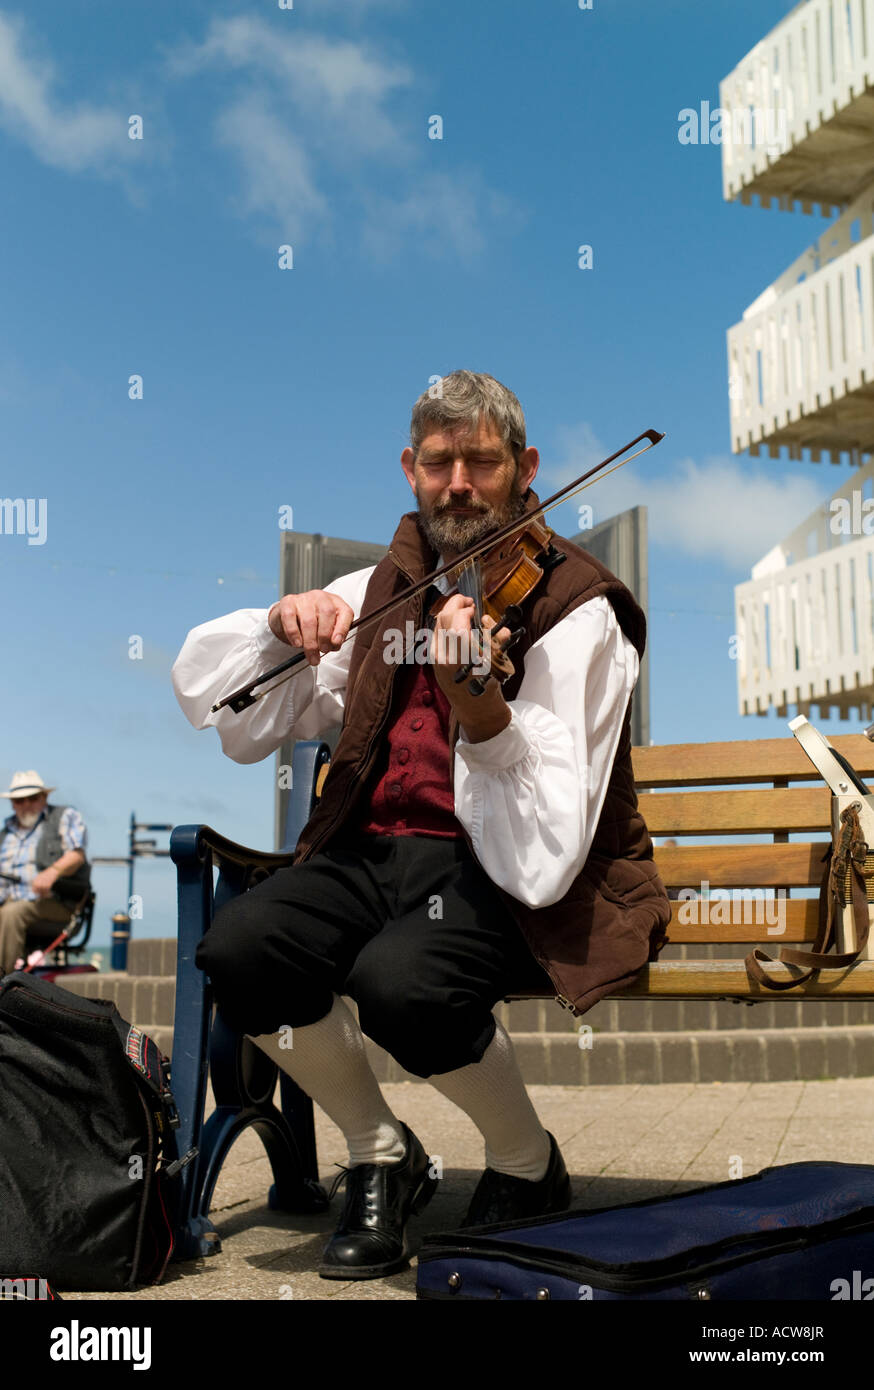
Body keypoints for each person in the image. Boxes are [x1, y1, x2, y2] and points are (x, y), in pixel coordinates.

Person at [172, 370, 671, 1280]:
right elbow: (237, 720)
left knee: (402, 982)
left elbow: (548, 850)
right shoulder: (380, 589)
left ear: (525, 468)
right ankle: (380, 1153)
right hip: (371, 855)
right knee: (240, 950)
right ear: (410, 469)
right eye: (439, 462)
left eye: (482, 461)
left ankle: (529, 1163)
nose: (459, 483)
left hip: (511, 877)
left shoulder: (580, 608)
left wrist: (481, 713)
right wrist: (283, 629)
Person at [0, 772, 91, 975]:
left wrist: (53, 872)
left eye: (33, 798)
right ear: (13, 803)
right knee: (9, 910)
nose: (26, 804)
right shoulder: (5, 834)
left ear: (44, 797)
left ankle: (3, 981)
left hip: (56, 904)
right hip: (9, 903)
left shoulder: (64, 817)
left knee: (13, 913)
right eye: (19, 800)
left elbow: (77, 855)